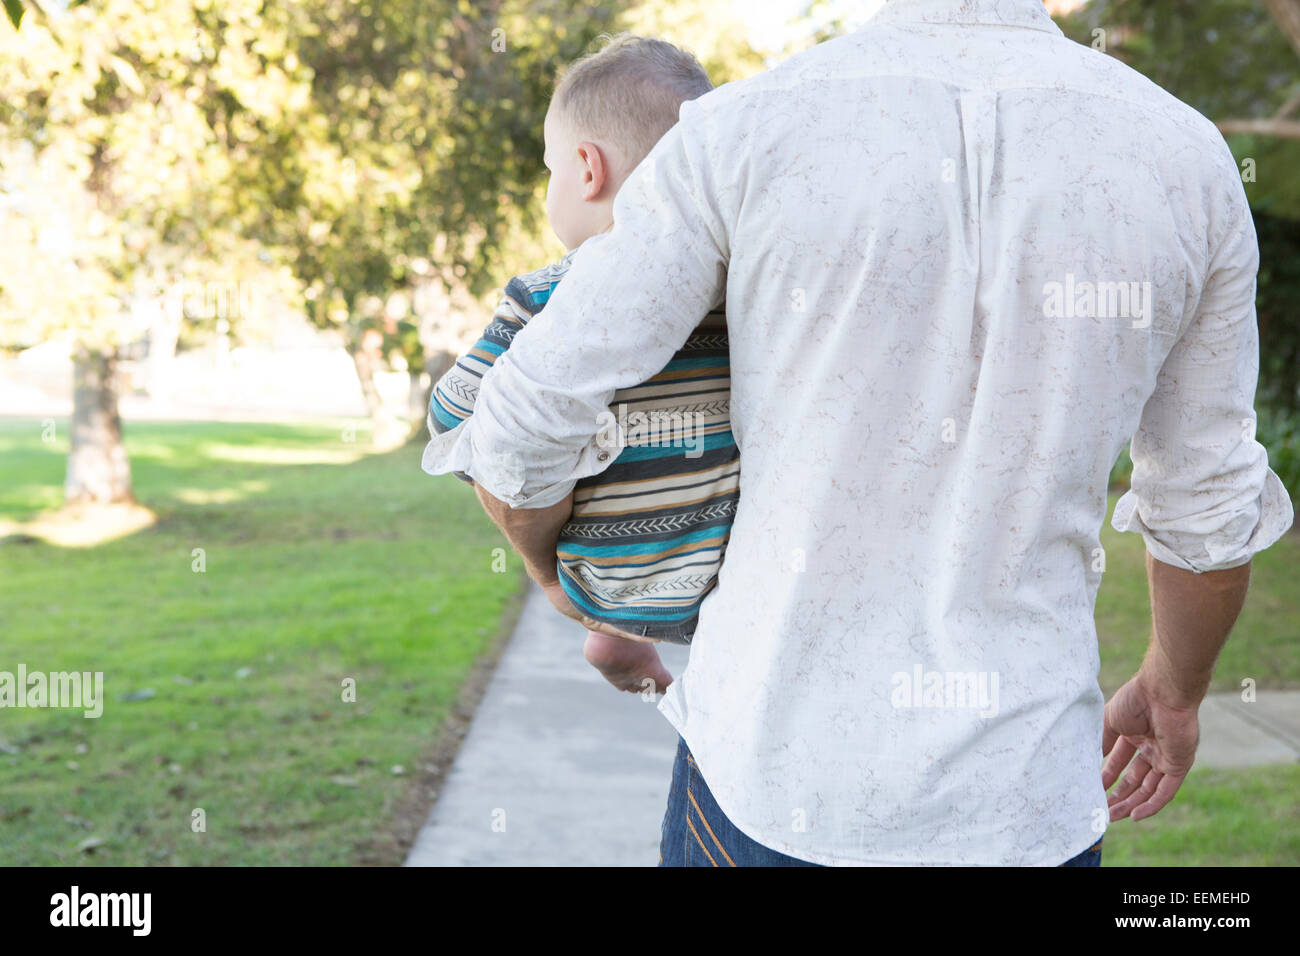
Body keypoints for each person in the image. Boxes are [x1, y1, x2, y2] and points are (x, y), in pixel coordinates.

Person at [445, 0, 1295, 865]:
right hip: (1023, 800)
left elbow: (520, 424)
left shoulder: (741, 130)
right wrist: (1175, 689)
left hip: (769, 781)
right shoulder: (1185, 159)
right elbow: (1207, 509)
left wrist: (560, 577)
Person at [423, 34, 737, 693]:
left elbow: (455, 409)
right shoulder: (736, 291)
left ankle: (613, 633)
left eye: (549, 169)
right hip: (723, 569)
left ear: (587, 169)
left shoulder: (547, 295)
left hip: (605, 576)